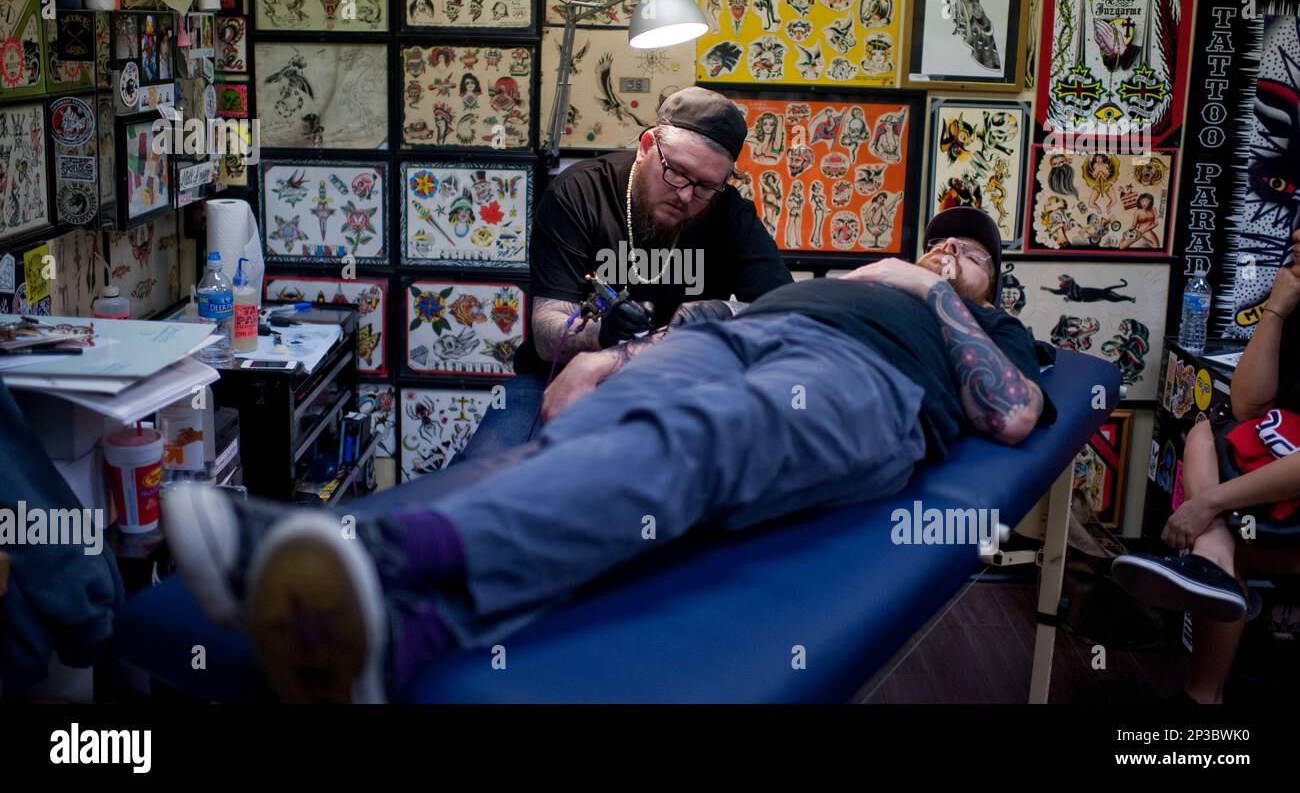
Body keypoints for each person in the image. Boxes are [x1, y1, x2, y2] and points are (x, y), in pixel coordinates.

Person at [164, 206, 1055, 702]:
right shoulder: (850, 279)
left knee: (697, 444)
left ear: (993, 286)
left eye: (971, 254)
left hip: (868, 380)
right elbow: (731, 312)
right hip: (749, 336)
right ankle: (402, 635)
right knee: (595, 433)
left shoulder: (987, 324)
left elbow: (1014, 416)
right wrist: (614, 353)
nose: (948, 252)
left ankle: (370, 556)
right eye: (940, 240)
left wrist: (930, 287)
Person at [456, 87, 792, 460]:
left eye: (706, 186)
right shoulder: (580, 192)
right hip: (558, 376)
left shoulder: (729, 212)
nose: (686, 195)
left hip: (678, 383)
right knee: (481, 475)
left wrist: (719, 313)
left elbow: (787, 313)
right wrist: (603, 333)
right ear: (648, 145)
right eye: (677, 172)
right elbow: (548, 333)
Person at [1113, 229, 1300, 704]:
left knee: (1220, 532)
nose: (1296, 234)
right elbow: (1246, 403)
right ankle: (1213, 550)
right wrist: (1276, 310)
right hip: (1278, 479)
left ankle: (1203, 693)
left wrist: (1209, 505)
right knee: (1202, 432)